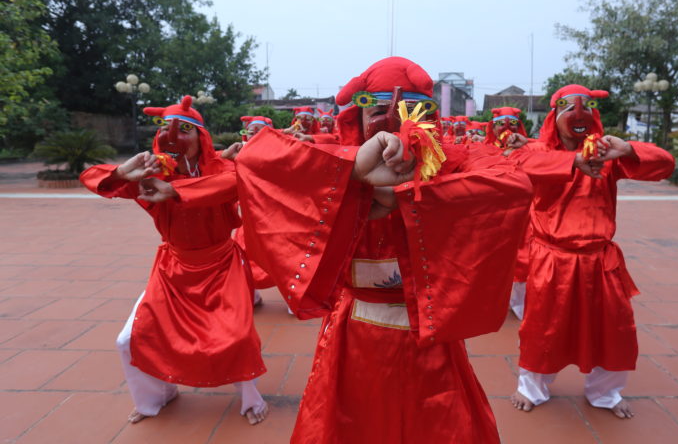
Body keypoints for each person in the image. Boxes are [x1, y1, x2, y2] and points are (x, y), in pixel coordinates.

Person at [235, 56, 543, 443]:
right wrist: (353, 176)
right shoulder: (337, 156)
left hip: (428, 330)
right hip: (353, 331)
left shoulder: (457, 160)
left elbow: (514, 185)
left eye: (410, 111)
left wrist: (409, 197)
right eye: (376, 109)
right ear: (357, 118)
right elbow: (254, 162)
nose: (392, 122)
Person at [80, 95, 269, 425]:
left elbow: (232, 182)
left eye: (185, 130)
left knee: (237, 337)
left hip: (221, 266)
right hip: (174, 269)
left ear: (201, 137)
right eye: (167, 132)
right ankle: (156, 397)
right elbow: (95, 179)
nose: (175, 139)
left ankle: (251, 400)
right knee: (130, 339)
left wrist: (177, 192)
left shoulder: (223, 169)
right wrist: (123, 173)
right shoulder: (153, 175)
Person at [509, 84, 675, 418]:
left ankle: (605, 394)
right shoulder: (538, 150)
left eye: (585, 109)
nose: (577, 116)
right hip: (552, 258)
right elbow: (521, 163)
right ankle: (532, 388)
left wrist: (627, 149)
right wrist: (573, 161)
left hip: (600, 259)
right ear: (554, 117)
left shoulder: (605, 153)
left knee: (614, 330)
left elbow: (665, 165)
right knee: (543, 329)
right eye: (568, 109)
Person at [485, 107, 531, 318]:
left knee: (523, 257)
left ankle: (520, 302)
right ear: (492, 127)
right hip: (492, 213)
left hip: (523, 212)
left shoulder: (529, 149)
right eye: (501, 124)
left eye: (513, 124)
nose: (507, 129)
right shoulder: (483, 149)